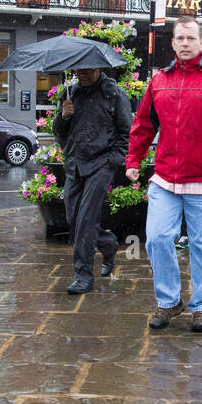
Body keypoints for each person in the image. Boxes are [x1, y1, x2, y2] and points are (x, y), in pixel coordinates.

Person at [125, 17, 202, 333]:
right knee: (156, 238)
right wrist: (133, 159)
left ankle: (201, 307)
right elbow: (143, 124)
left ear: (201, 43)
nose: (184, 43)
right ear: (172, 43)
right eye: (179, 38)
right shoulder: (159, 82)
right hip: (165, 178)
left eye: (190, 38)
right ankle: (168, 301)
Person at [53, 63, 134, 294]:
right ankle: (108, 244)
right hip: (75, 164)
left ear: (99, 68)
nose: (83, 74)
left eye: (88, 69)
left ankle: (83, 275)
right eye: (79, 70)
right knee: (73, 218)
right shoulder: (70, 94)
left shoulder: (113, 94)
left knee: (86, 220)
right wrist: (64, 116)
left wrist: (112, 160)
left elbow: (126, 132)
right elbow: (58, 131)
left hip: (101, 164)